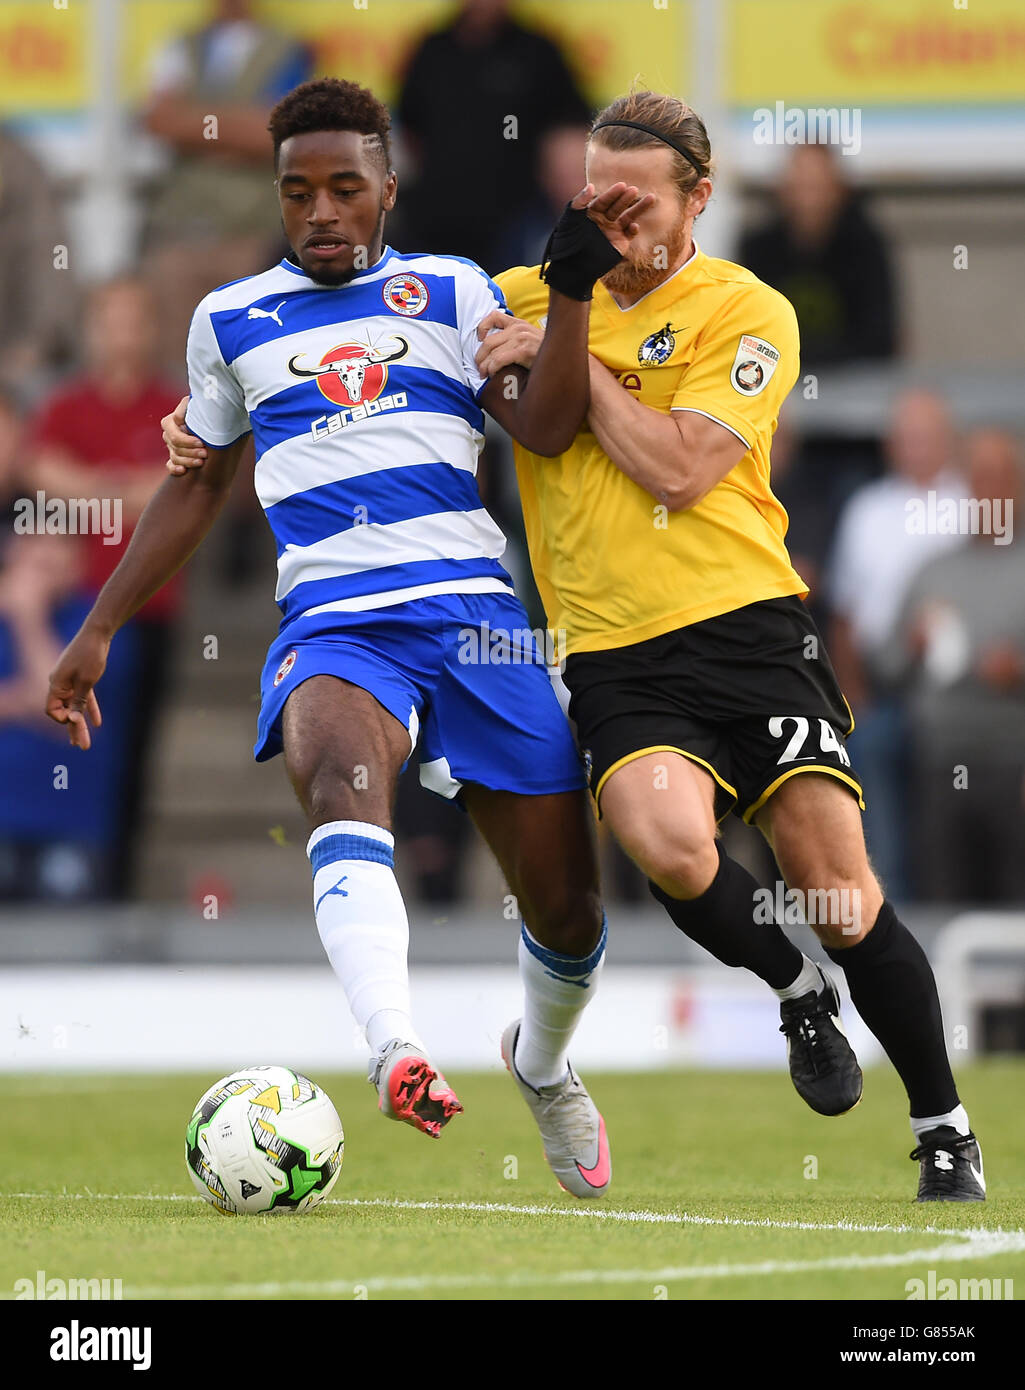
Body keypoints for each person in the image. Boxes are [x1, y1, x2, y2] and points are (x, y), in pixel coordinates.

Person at [48, 78, 652, 1200]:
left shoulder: (453, 290)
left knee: (567, 904)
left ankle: (543, 1060)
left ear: (385, 188)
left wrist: (568, 295)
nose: (319, 211)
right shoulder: (229, 320)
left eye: (342, 188)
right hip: (336, 621)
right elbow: (198, 486)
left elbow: (548, 424)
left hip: (478, 620)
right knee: (334, 767)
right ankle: (395, 1047)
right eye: (296, 192)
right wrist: (96, 628)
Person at [474, 89, 984, 1201]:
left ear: (696, 200)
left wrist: (576, 353)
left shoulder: (745, 311)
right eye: (590, 201)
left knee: (838, 892)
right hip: (612, 647)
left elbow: (677, 467)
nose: (608, 225)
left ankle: (942, 1125)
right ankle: (792, 990)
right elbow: (541, 427)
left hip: (747, 625)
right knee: (665, 841)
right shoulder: (524, 295)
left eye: (632, 205)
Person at [30, 277, 186, 897]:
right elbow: (40, 470)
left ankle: (114, 882)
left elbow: (187, 482)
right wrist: (127, 493)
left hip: (149, 611)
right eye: (109, 320)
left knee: (134, 752)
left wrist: (94, 490)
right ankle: (68, 876)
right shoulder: (67, 405)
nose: (120, 334)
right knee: (70, 745)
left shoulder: (172, 402)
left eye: (132, 320)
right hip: (73, 608)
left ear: (149, 329)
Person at [826, 391, 967, 900]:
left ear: (948, 440)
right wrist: (852, 699)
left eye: (927, 436)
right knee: (881, 822)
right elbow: (843, 611)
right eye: (907, 437)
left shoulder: (972, 504)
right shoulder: (867, 510)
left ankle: (949, 918)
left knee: (948, 810)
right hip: (880, 688)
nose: (917, 447)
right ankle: (896, 921)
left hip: (957, 694)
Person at [884, 429, 1025, 902]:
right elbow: (884, 664)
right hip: (940, 761)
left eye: (1001, 476)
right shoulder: (934, 570)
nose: (990, 489)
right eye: (979, 477)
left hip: (1015, 761)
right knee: (942, 894)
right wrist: (914, 645)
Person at [140, 0, 314, 374]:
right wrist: (239, 129)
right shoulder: (180, 45)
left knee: (250, 357)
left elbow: (278, 132)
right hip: (180, 231)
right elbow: (157, 120)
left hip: (252, 234)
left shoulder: (289, 48)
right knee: (174, 366)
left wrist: (195, 128)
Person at [397, 0, 591, 272]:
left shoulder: (538, 52)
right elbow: (410, 127)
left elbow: (569, 131)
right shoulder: (431, 50)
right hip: (433, 219)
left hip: (514, 220)